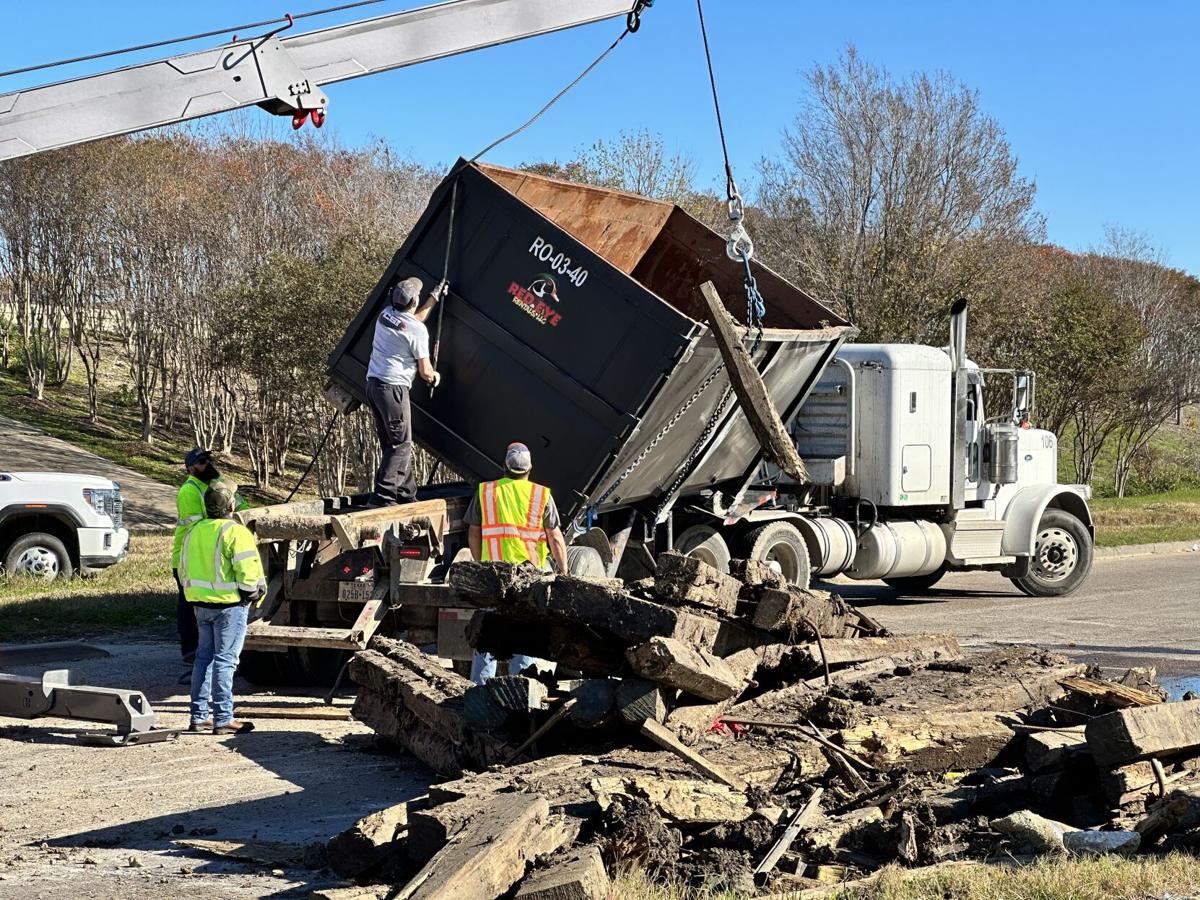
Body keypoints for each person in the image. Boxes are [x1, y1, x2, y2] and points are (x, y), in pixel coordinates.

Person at [465, 442, 569, 684]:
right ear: (530, 468)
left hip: (494, 575)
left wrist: (480, 564)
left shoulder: (486, 492)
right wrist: (564, 573)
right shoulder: (541, 495)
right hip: (528, 577)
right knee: (525, 636)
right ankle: (520, 692)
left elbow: (473, 533)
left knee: (487, 635)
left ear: (504, 466)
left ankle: (480, 693)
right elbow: (555, 537)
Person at [180, 479, 266, 735]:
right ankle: (223, 719)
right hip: (230, 606)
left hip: (200, 605)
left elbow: (184, 567)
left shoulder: (193, 531)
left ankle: (198, 716)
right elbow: (247, 571)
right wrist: (254, 592)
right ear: (230, 504)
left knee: (203, 660)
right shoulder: (235, 532)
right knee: (225, 661)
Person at [366, 276, 445, 506]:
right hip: (394, 390)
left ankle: (406, 492)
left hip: (374, 385)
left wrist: (433, 298)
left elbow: (413, 322)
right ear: (413, 301)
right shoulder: (417, 331)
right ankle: (383, 496)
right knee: (401, 444)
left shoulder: (385, 315)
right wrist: (435, 378)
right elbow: (426, 372)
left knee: (394, 442)